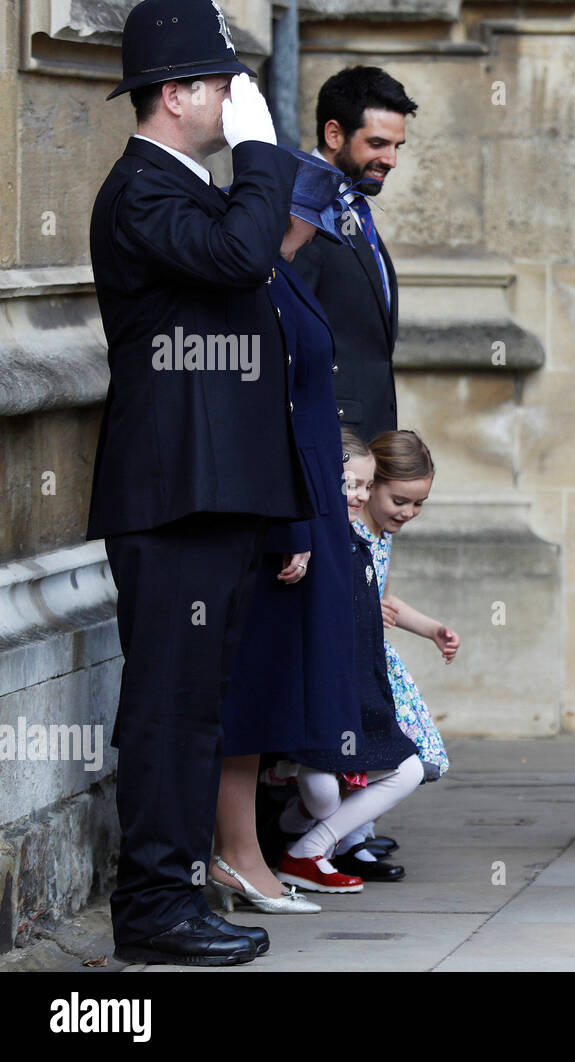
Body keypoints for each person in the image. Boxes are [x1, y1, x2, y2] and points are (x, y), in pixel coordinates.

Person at [89, 0, 312, 966]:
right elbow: (242, 253)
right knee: (168, 708)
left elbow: (246, 262)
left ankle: (174, 897)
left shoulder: (184, 186)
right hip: (172, 495)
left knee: (195, 706)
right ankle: (150, 911)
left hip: (211, 494)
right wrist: (262, 156)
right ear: (176, 94)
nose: (237, 99)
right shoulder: (143, 190)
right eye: (224, 83)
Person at [210, 149, 364, 915]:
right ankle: (237, 856)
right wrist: (293, 523)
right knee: (252, 696)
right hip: (281, 516)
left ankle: (244, 854)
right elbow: (266, 414)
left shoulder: (282, 275)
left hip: (302, 505)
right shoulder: (254, 281)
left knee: (269, 695)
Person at [274, 432, 423, 894]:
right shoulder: (308, 544)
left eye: (365, 485)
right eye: (349, 485)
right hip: (315, 695)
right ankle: (302, 833)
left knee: (411, 769)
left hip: (358, 694)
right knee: (321, 795)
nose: (358, 495)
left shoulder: (360, 543)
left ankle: (306, 851)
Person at [293, 66, 418, 441]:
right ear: (334, 134)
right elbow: (288, 340)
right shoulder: (300, 209)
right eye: (378, 144)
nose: (391, 160)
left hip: (366, 443)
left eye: (397, 146)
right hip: (330, 442)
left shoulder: (356, 206)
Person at [355, 430, 460, 784]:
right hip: (353, 660)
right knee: (381, 754)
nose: (409, 512)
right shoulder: (351, 533)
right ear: (370, 486)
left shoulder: (381, 536)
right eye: (399, 500)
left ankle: (361, 834)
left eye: (418, 504)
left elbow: (386, 601)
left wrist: (432, 630)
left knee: (402, 757)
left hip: (376, 657)